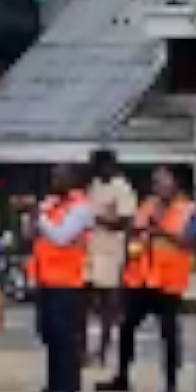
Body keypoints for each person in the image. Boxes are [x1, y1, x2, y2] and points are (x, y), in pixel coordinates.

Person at [96, 165, 196, 392]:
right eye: (155, 182)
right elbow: (134, 232)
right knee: (126, 327)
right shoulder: (147, 205)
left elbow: (190, 243)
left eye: (162, 181)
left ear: (176, 183)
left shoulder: (190, 210)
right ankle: (122, 377)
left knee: (169, 334)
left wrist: (160, 232)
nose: (157, 186)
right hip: (140, 278)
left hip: (168, 283)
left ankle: (171, 386)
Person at [30, 165, 93, 392]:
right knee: (49, 334)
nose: (54, 180)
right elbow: (34, 231)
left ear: (73, 179)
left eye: (60, 176)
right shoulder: (51, 203)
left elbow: (62, 237)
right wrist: (32, 217)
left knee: (66, 337)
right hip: (46, 278)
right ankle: (53, 385)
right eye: (53, 176)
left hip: (69, 282)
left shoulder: (81, 207)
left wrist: (39, 217)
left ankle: (67, 389)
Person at [84, 149, 137, 366]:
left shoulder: (122, 188)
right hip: (91, 249)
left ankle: (102, 351)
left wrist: (100, 220)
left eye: (99, 165)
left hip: (112, 251)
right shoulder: (94, 185)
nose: (97, 170)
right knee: (89, 301)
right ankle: (86, 349)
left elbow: (126, 222)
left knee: (108, 305)